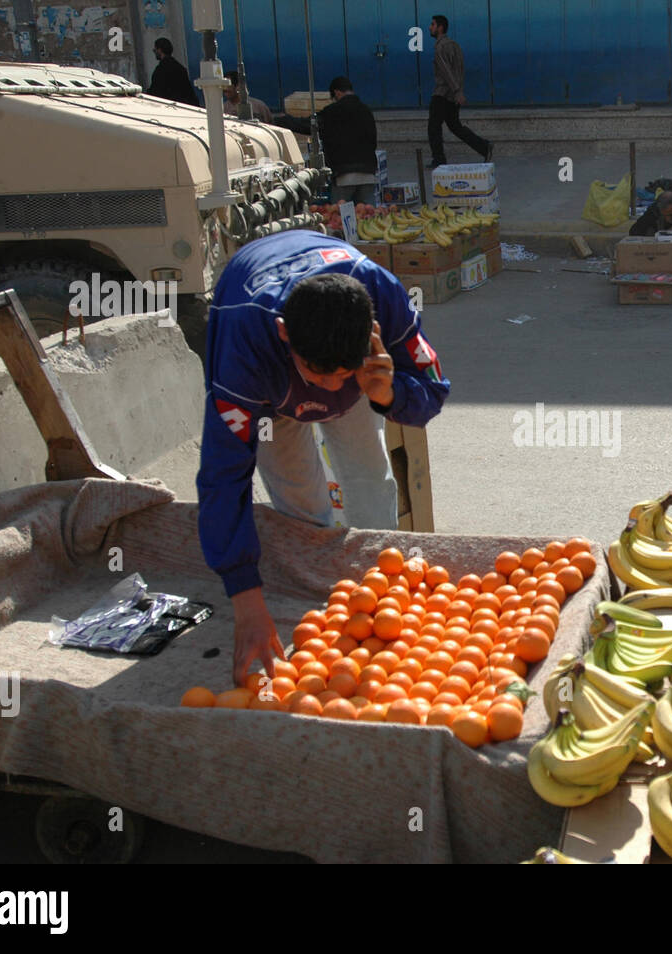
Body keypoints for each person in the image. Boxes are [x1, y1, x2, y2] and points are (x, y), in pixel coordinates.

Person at [198, 231, 449, 685]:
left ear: (371, 336)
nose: (331, 386)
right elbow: (223, 477)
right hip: (271, 388)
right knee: (298, 498)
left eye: (343, 372)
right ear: (284, 334)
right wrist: (244, 596)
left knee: (369, 479)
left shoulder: (383, 296)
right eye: (317, 372)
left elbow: (432, 390)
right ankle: (316, 597)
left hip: (352, 373)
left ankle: (385, 591)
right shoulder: (244, 346)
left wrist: (387, 393)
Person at [278, 77, 379, 205]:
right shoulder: (366, 111)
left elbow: (308, 125)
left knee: (341, 213)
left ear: (337, 93)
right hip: (368, 173)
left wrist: (284, 120)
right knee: (369, 214)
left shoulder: (332, 112)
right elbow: (373, 140)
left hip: (344, 174)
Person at [427, 15, 492, 169]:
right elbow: (460, 70)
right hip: (452, 95)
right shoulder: (455, 45)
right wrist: (458, 90)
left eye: (433, 24)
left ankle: (439, 159)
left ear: (440, 27)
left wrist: (457, 91)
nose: (430, 27)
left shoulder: (440, 47)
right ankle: (484, 147)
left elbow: (446, 71)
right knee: (455, 126)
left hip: (442, 93)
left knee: (433, 127)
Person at [146, 37, 199, 107]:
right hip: (184, 106)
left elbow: (156, 91)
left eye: (154, 50)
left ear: (159, 50)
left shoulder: (161, 70)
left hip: (170, 106)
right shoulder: (180, 68)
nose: (154, 52)